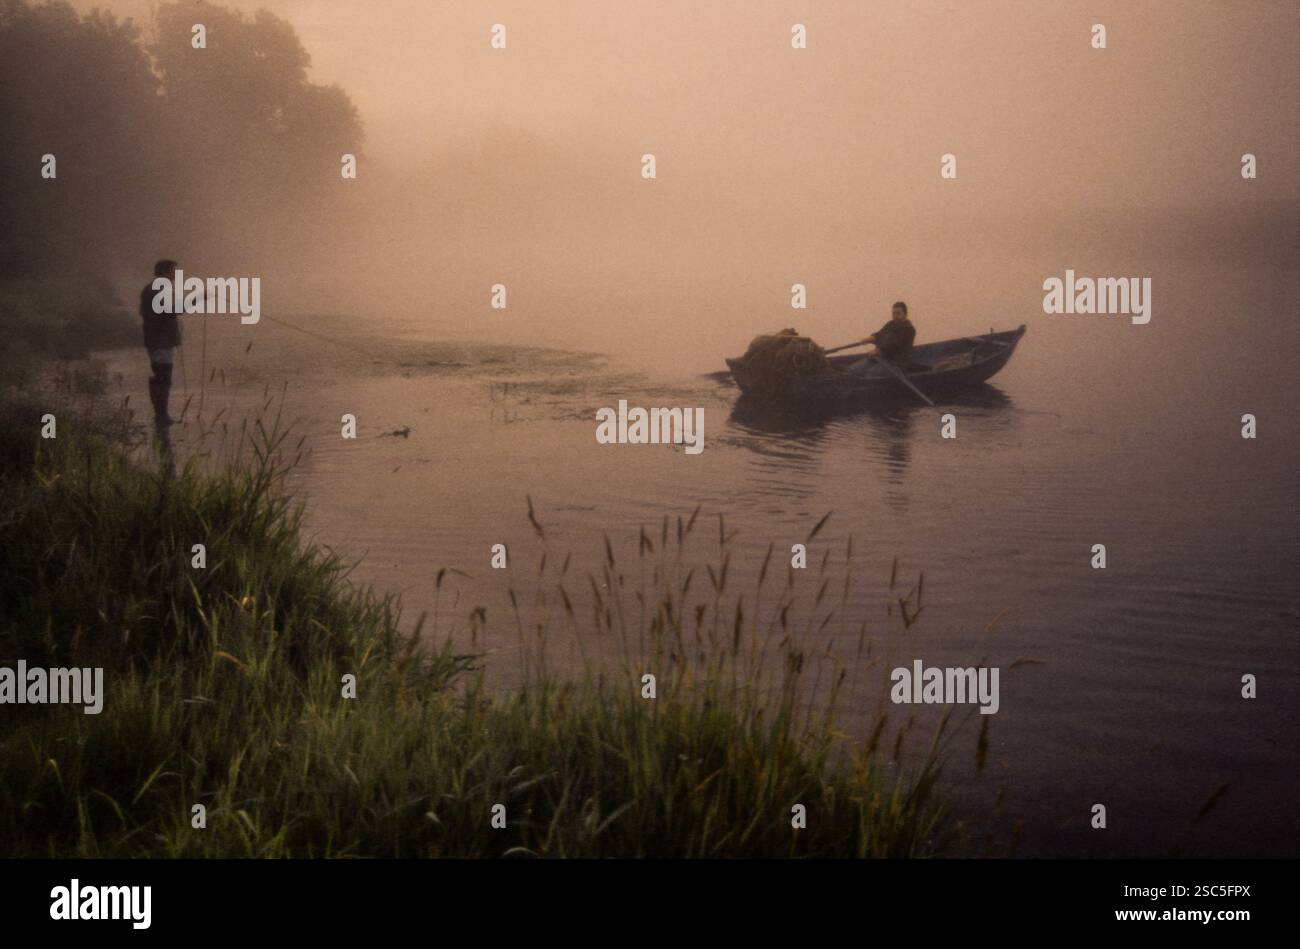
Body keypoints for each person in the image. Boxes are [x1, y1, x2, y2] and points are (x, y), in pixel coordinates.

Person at [140, 259, 182, 430]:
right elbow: (172, 310)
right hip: (160, 342)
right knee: (163, 377)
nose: (175, 275)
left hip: (155, 340)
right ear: (164, 272)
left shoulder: (151, 289)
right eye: (173, 271)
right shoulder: (158, 289)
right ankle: (161, 416)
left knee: (161, 377)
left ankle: (160, 415)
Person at [855, 300, 916, 369]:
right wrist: (870, 339)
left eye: (898, 313)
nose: (895, 316)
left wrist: (878, 351)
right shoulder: (891, 324)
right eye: (893, 313)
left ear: (905, 314)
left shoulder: (909, 329)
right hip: (883, 358)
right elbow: (880, 335)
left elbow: (893, 344)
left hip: (897, 363)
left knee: (871, 374)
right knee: (854, 370)